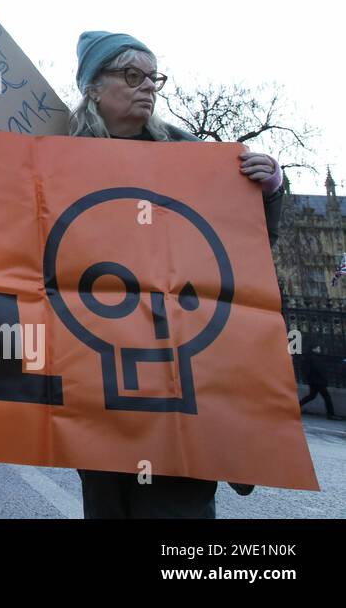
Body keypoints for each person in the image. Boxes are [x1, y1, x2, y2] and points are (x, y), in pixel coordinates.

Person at [68, 30, 284, 519]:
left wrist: (269, 186)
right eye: (131, 75)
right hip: (95, 362)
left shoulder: (195, 157)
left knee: (176, 500)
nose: (147, 86)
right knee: (107, 498)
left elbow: (247, 245)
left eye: (153, 77)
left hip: (179, 361)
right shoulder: (56, 153)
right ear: (93, 87)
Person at [298, 346, 340, 419]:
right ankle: (331, 414)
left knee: (312, 396)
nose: (319, 349)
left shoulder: (309, 357)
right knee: (326, 397)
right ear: (313, 349)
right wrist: (323, 377)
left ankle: (296, 407)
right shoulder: (314, 358)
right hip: (318, 381)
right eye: (318, 348)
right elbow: (319, 369)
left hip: (314, 381)